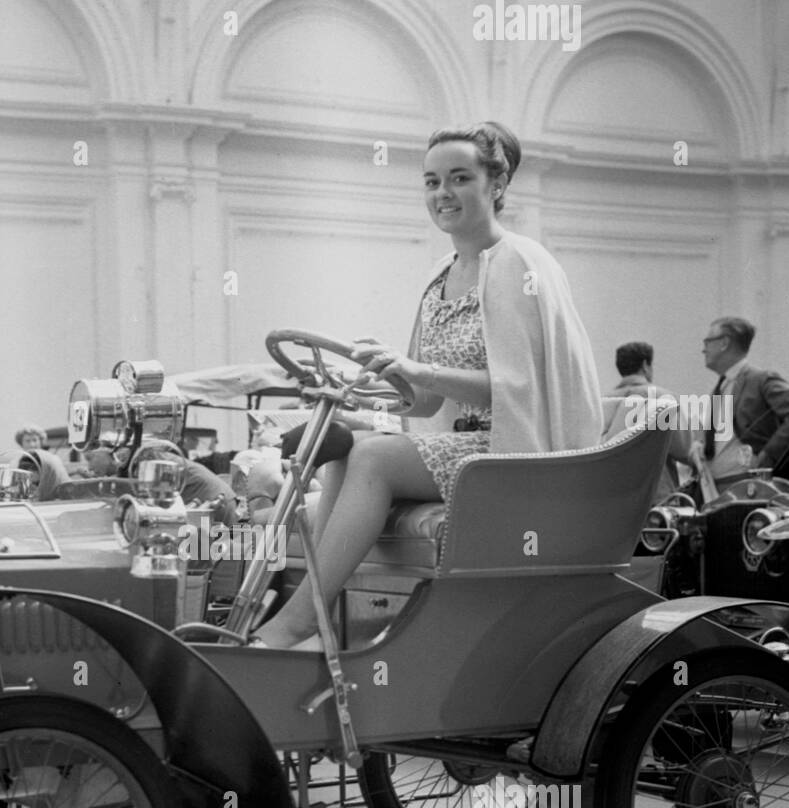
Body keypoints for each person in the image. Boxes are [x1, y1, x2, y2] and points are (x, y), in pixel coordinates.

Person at [252, 122, 602, 649]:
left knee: (375, 460)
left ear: (497, 184)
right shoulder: (440, 273)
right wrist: (374, 383)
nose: (443, 194)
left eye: (459, 178)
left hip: (516, 450)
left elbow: (520, 390)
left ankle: (299, 621)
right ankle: (319, 617)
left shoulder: (519, 263)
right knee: (348, 447)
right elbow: (427, 402)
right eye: (432, 181)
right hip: (463, 446)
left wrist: (417, 371)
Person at [698, 317, 789, 483]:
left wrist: (768, 454)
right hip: (715, 487)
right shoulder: (719, 388)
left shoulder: (760, 380)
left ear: (724, 343)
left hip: (748, 485)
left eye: (707, 342)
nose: (703, 350)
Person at [604, 341, 691, 497]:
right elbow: (683, 449)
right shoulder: (663, 397)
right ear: (645, 365)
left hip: (612, 489)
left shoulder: (603, 401)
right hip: (655, 490)